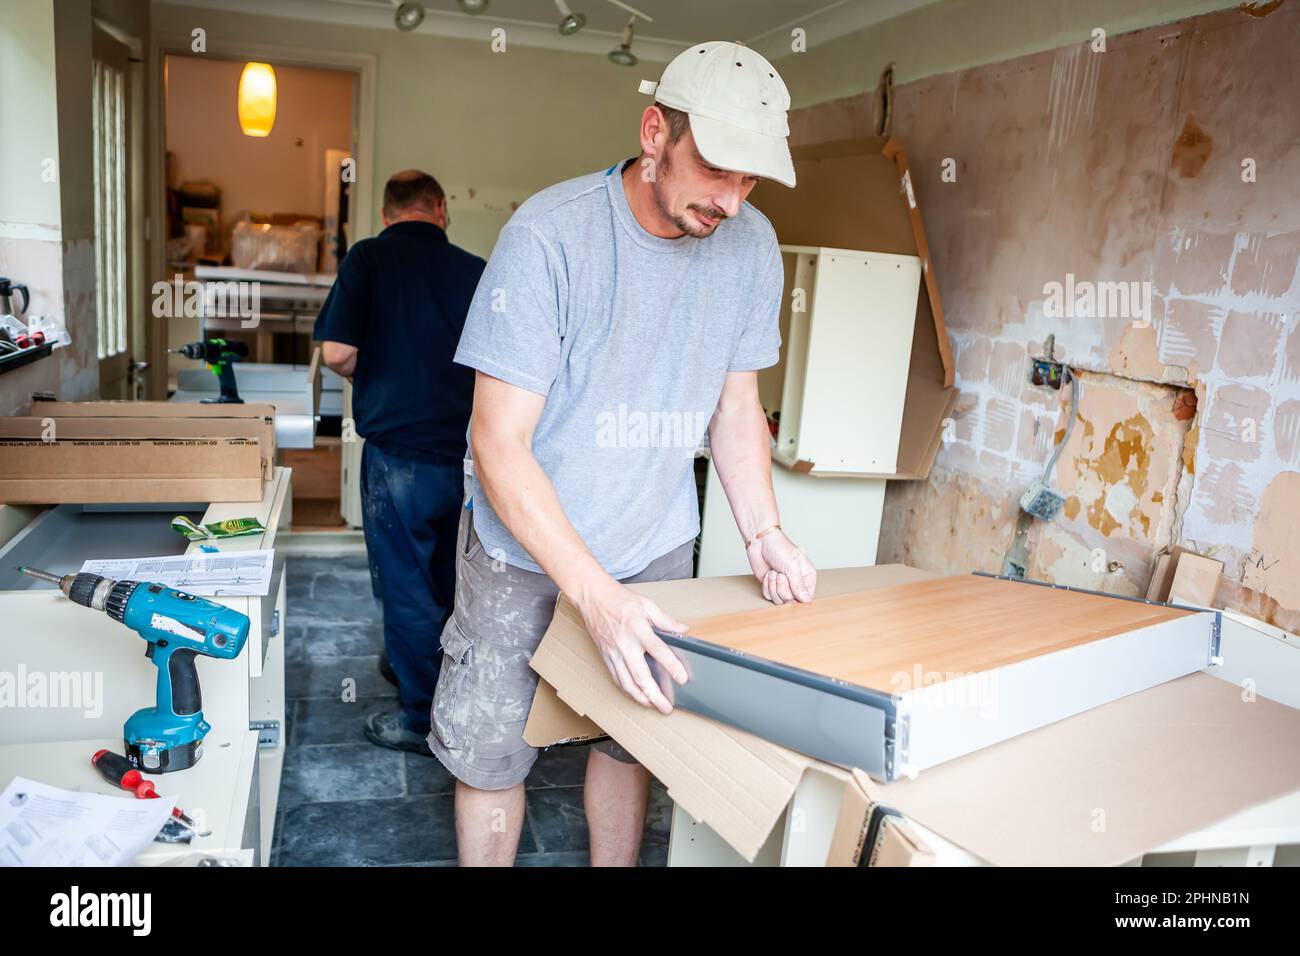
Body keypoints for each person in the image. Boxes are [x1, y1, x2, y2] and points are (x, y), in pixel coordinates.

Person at [431, 41, 817, 866]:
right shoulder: (548, 238)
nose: (734, 202)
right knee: (493, 754)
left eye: (752, 181)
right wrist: (594, 599)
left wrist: (763, 535)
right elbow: (497, 444)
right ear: (654, 133)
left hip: (653, 544)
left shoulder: (751, 248)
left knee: (631, 743)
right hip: (520, 550)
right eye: (718, 169)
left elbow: (737, 407)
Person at [315, 170, 485, 754]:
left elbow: (337, 352)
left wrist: (385, 368)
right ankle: (440, 686)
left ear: (388, 214)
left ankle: (422, 719)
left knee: (407, 587)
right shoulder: (475, 270)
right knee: (449, 580)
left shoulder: (367, 259)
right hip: (469, 458)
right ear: (440, 208)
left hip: (397, 459)